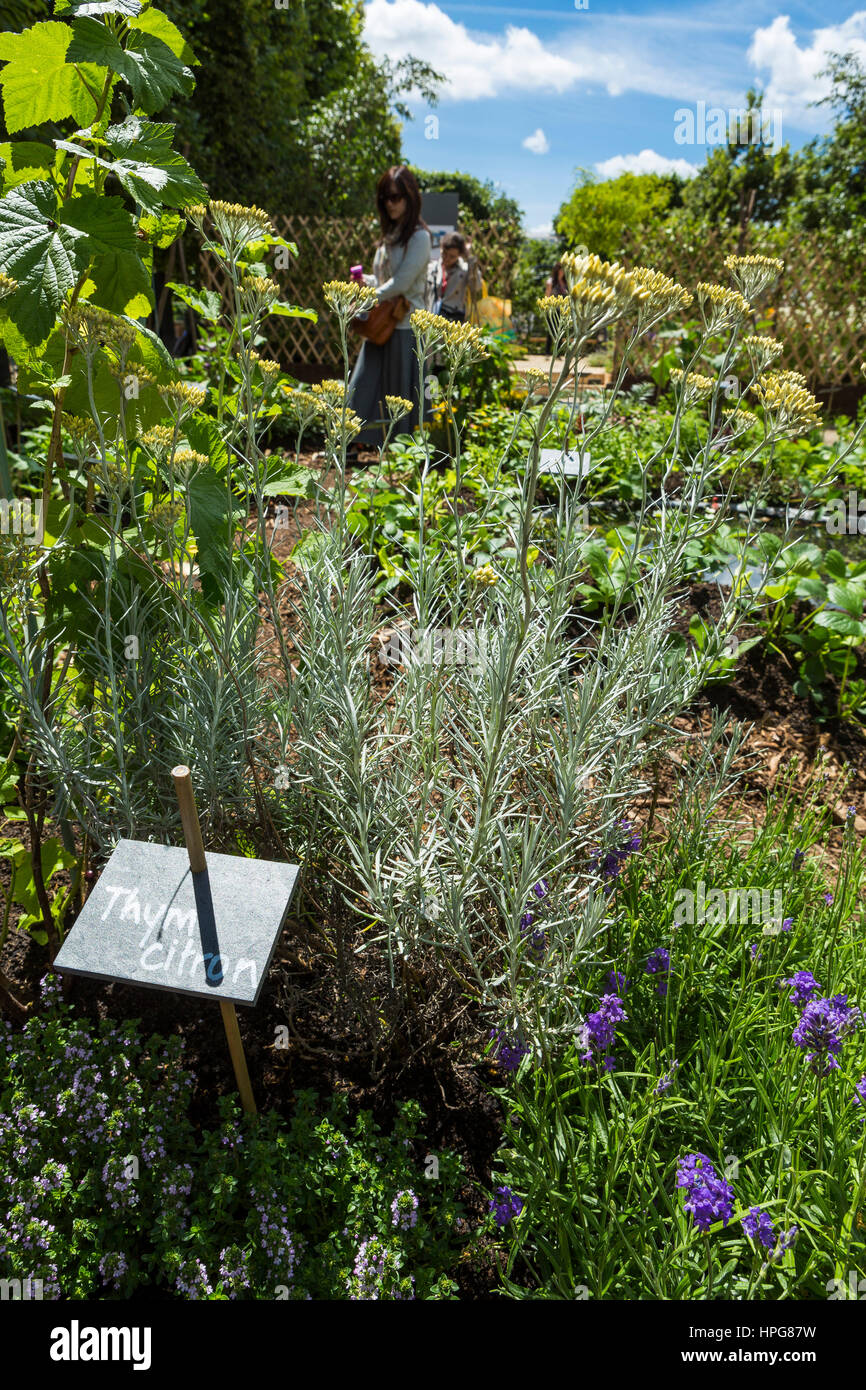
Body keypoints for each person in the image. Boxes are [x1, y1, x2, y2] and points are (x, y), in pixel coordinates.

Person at [346, 166, 432, 457]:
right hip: (380, 324)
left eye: (396, 197)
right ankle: (351, 441)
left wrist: (367, 297)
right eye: (385, 197)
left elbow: (403, 283)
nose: (390, 203)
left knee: (400, 395)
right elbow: (384, 281)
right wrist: (363, 284)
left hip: (405, 326)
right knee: (361, 384)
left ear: (411, 198)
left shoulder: (419, 238)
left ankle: (403, 457)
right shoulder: (390, 236)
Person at [427, 231, 482, 322]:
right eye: (444, 253)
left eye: (452, 257)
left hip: (453, 318)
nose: (447, 259)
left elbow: (476, 287)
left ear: (459, 255)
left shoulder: (465, 269)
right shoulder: (433, 267)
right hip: (433, 316)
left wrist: (470, 259)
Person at [543, 261, 569, 354]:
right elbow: (547, 295)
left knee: (561, 331)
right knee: (551, 330)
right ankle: (547, 351)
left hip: (563, 310)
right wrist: (546, 308)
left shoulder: (566, 282)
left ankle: (557, 353)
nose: (562, 271)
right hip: (552, 310)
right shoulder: (551, 281)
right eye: (561, 269)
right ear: (557, 270)